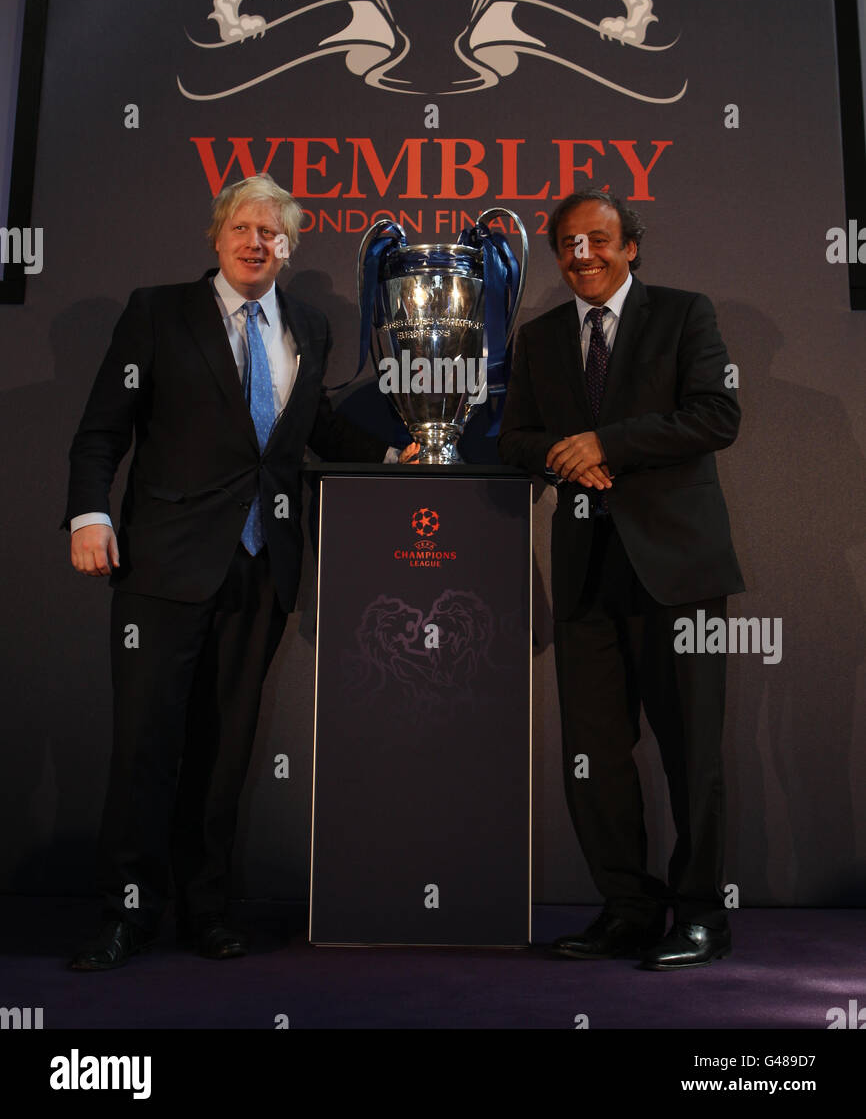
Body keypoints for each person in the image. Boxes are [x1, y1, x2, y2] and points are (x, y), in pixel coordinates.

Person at [64, 173, 416, 969]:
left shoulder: (309, 327)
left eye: (274, 233)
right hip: (164, 566)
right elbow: (100, 432)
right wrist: (91, 514)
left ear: (289, 247)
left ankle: (206, 910)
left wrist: (396, 453)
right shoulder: (157, 312)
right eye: (244, 229)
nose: (258, 243)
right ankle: (127, 915)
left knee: (226, 753)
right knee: (146, 749)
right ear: (217, 236)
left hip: (264, 567)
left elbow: (312, 422)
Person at [498, 189, 743, 969]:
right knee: (594, 757)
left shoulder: (684, 314)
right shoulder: (537, 339)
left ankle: (703, 915)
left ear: (630, 246)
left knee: (691, 753)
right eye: (569, 244)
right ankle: (629, 909)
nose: (584, 257)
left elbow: (716, 416)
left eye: (599, 241)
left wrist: (605, 443)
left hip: (678, 570)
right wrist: (559, 454)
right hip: (586, 577)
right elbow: (515, 440)